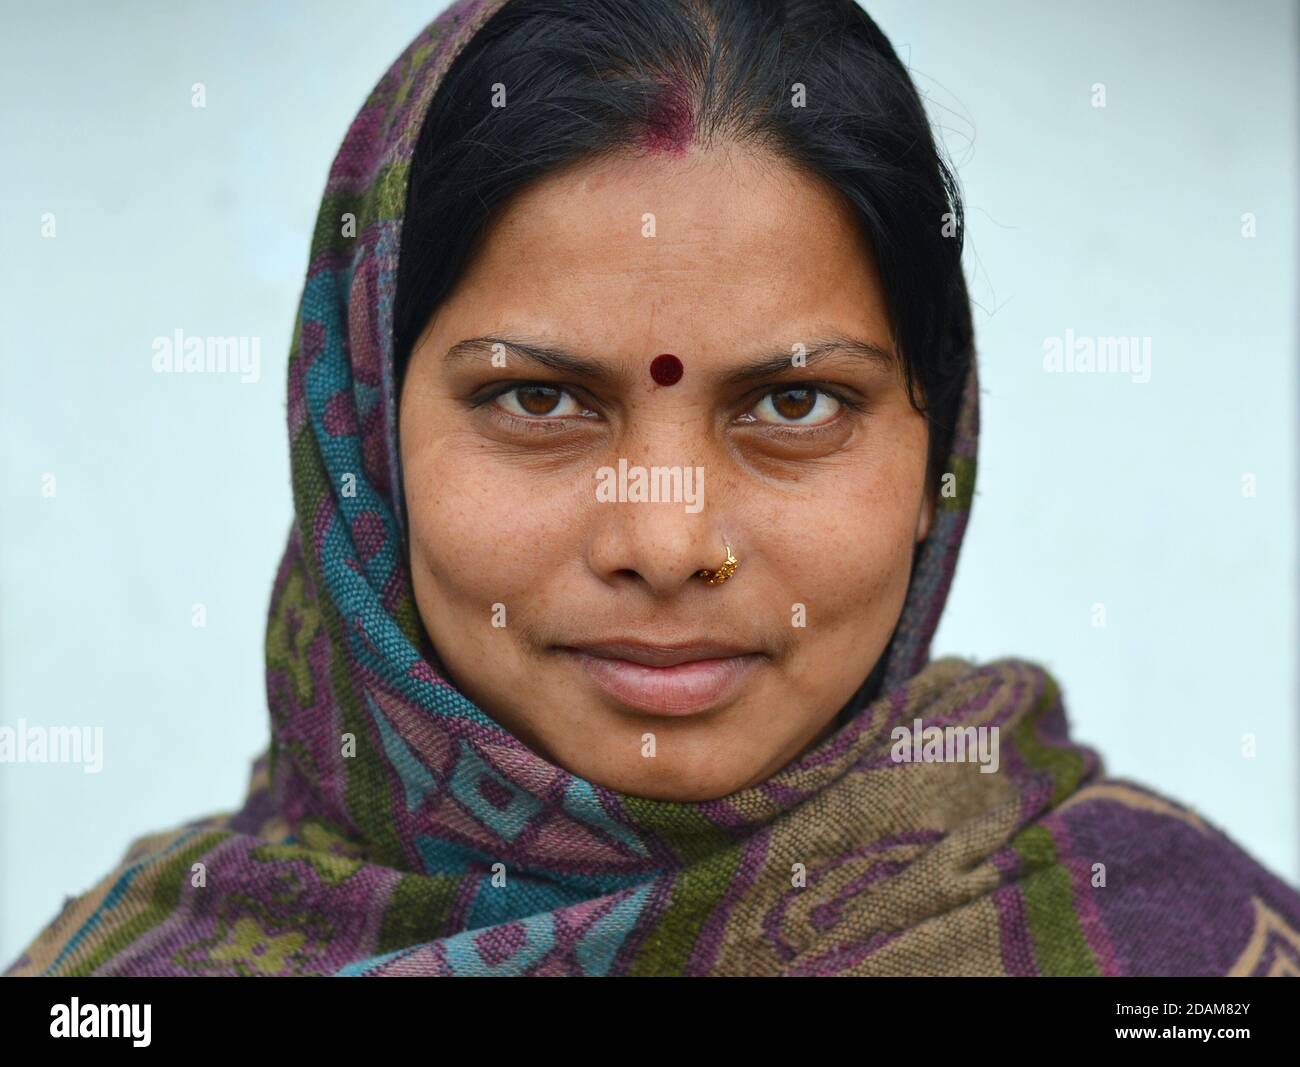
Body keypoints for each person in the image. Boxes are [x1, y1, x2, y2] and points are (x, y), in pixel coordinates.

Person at [8, 0, 1299, 977]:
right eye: (539, 399)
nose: (669, 541)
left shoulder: (1176, 950)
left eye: (796, 404)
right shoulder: (118, 969)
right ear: (362, 442)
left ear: (935, 450)